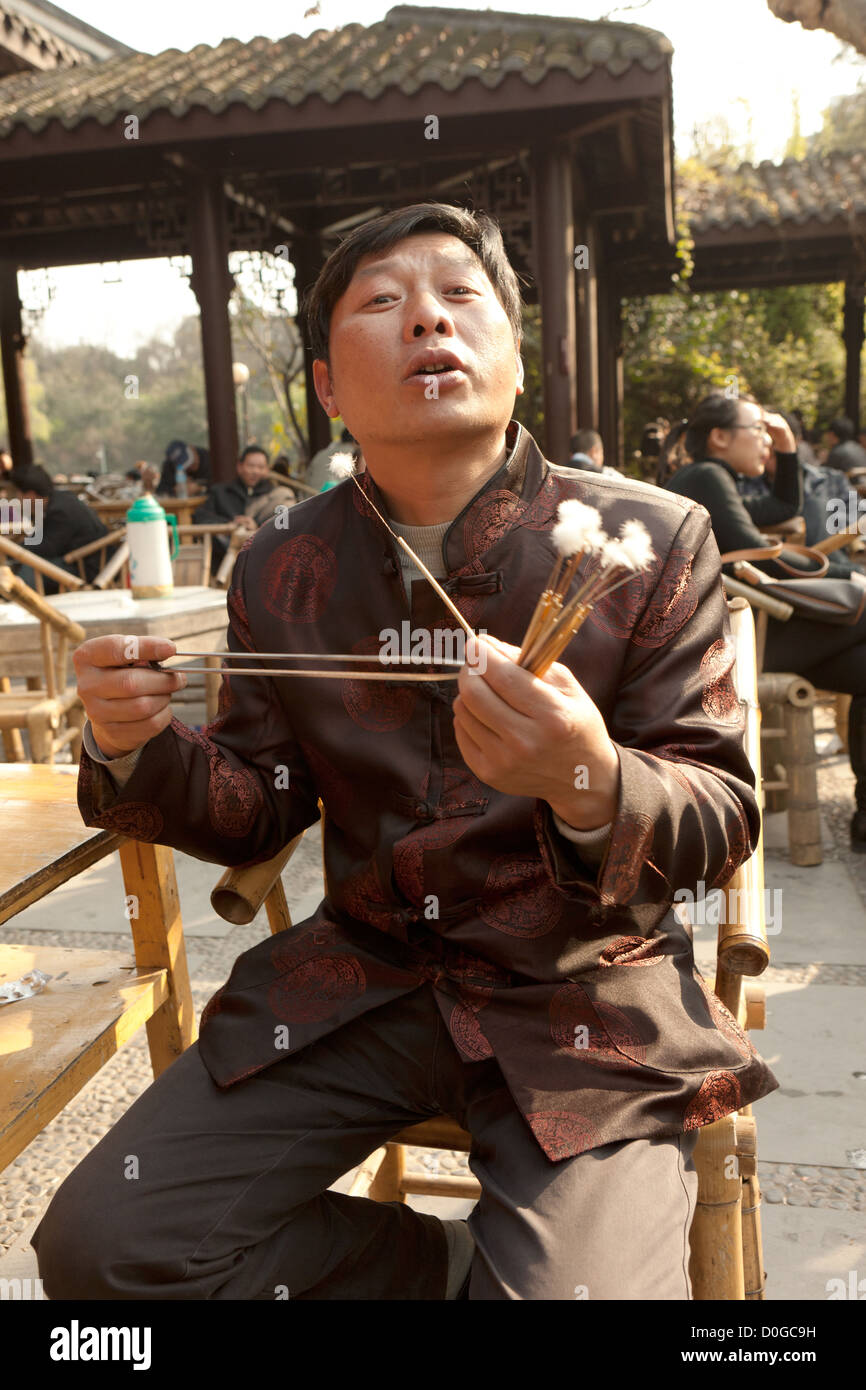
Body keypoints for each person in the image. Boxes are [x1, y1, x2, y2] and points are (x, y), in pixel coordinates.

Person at [34, 202, 779, 1302]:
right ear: (330, 387)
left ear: (514, 360)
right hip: (366, 979)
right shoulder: (283, 561)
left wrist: (585, 774)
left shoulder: (649, 539)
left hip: (582, 993)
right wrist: (132, 742)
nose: (425, 318)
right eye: (382, 303)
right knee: (101, 1252)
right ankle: (437, 1266)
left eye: (457, 295)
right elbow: (254, 806)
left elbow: (719, 814)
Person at [663, 392, 866, 851]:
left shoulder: (710, 478)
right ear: (719, 437)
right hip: (736, 643)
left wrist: (788, 446)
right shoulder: (707, 475)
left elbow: (781, 510)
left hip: (748, 633)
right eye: (758, 430)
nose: (766, 442)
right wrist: (852, 575)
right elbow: (768, 561)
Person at [191, 445, 297, 576]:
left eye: (260, 467)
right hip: (225, 563)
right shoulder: (220, 492)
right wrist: (230, 524)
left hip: (265, 563)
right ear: (239, 467)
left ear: (267, 470)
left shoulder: (279, 496)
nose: (255, 471)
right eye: (251, 466)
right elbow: (201, 517)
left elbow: (287, 526)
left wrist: (257, 527)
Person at [7, 463, 109, 592]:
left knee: (29, 571)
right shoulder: (59, 500)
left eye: (19, 493)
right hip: (78, 562)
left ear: (31, 494)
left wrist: (12, 550)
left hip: (88, 570)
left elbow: (47, 547)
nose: (18, 498)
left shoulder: (60, 511)